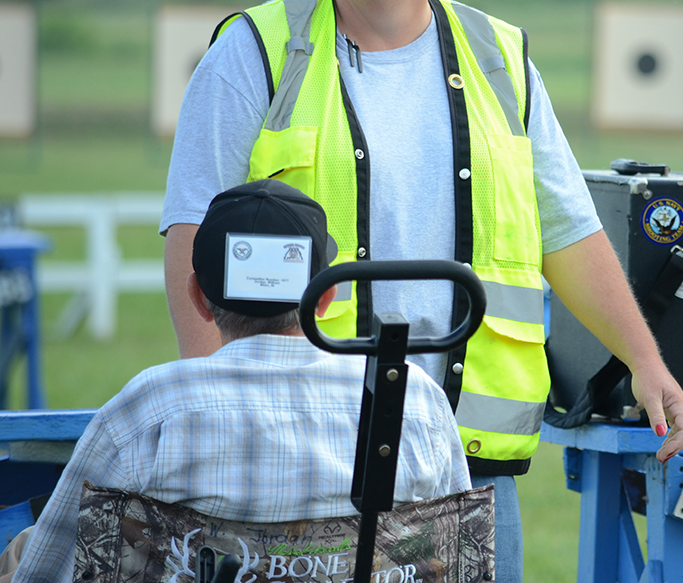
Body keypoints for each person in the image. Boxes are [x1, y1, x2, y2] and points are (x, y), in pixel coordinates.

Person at [159, 0, 683, 582]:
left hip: (469, 473)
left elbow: (568, 231)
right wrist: (216, 416)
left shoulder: (500, 57)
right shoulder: (256, 51)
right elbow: (192, 240)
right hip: (297, 459)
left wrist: (646, 361)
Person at [10, 180, 471, 583]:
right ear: (326, 296)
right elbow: (460, 562)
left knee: (22, 547)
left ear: (198, 298)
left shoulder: (150, 408)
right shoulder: (415, 399)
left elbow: (47, 571)